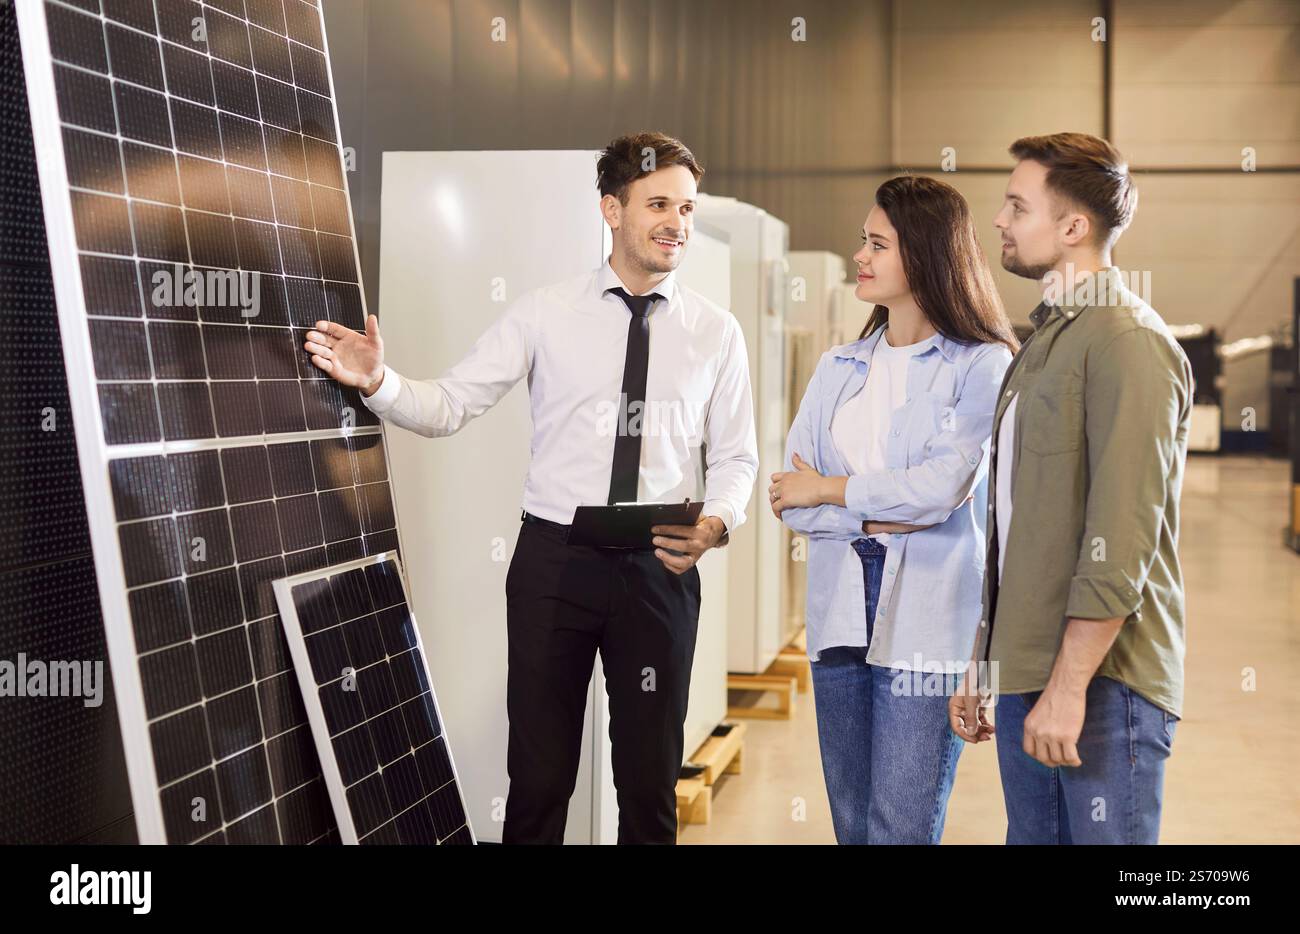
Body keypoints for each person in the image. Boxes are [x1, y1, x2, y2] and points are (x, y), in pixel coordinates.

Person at [302, 132, 759, 844]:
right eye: (659, 203)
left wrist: (715, 523)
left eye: (689, 208)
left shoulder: (716, 332)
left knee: (649, 783)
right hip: (555, 566)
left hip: (661, 570)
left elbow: (737, 459)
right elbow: (450, 403)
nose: (678, 222)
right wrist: (377, 382)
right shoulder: (545, 313)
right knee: (541, 779)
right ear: (611, 209)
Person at [952, 132, 1193, 845]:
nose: (998, 220)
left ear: (1073, 228)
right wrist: (989, 659)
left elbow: (1121, 537)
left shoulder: (1126, 342)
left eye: (1016, 206)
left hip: (1100, 686)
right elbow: (1019, 523)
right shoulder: (1046, 343)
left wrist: (1067, 686)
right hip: (1033, 669)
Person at [768, 175, 1015, 844]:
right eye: (863, 241)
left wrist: (834, 490)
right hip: (839, 609)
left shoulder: (982, 365)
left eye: (877, 244)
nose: (861, 256)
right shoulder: (838, 366)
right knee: (851, 822)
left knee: (898, 826)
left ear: (927, 257)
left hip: (932, 619)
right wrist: (867, 511)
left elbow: (944, 488)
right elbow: (790, 494)